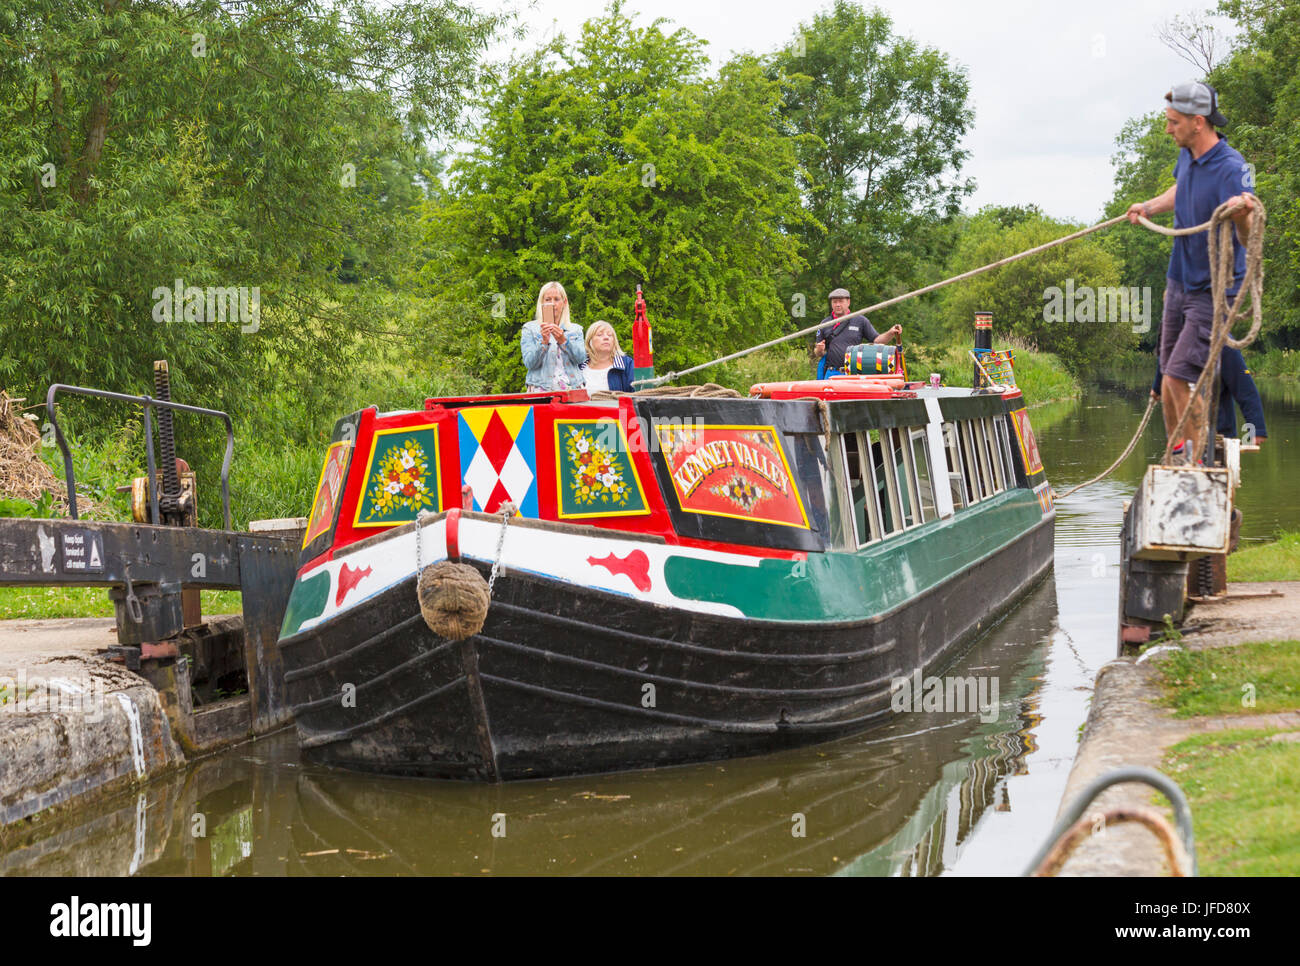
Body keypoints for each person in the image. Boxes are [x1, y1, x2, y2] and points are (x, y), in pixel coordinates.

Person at [1126, 81, 1256, 462]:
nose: (1168, 129)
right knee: (1167, 375)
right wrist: (1148, 207)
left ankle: (1197, 461)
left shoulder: (1234, 168)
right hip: (1178, 280)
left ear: (1198, 122)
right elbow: (1180, 189)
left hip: (1213, 291)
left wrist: (1243, 215)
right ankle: (1178, 455)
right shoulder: (1187, 155)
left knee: (1177, 377)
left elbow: (1247, 239)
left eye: (1173, 122)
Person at [1151, 346, 1267, 445]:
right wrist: (1157, 387)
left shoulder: (1225, 346)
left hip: (1219, 434)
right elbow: (1165, 361)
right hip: (1181, 433)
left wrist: (1257, 429)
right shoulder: (1176, 340)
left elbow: (1245, 391)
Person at [813, 287, 902, 378]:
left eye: (841, 301)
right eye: (834, 302)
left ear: (848, 302)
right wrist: (819, 349)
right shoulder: (824, 323)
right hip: (831, 373)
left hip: (853, 374)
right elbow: (818, 353)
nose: (837, 305)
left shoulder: (860, 321)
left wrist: (890, 333)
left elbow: (877, 341)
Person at [521, 281, 586, 392]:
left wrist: (563, 341)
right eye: (547, 300)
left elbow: (580, 359)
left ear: (564, 302)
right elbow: (529, 363)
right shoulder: (530, 329)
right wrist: (543, 343)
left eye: (556, 299)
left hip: (572, 388)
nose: (552, 303)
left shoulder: (575, 329)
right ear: (541, 303)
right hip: (540, 390)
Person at [580, 320, 634, 393]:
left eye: (610, 335)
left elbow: (638, 394)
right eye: (600, 335)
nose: (606, 337)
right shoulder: (579, 367)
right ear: (590, 341)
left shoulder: (627, 365)